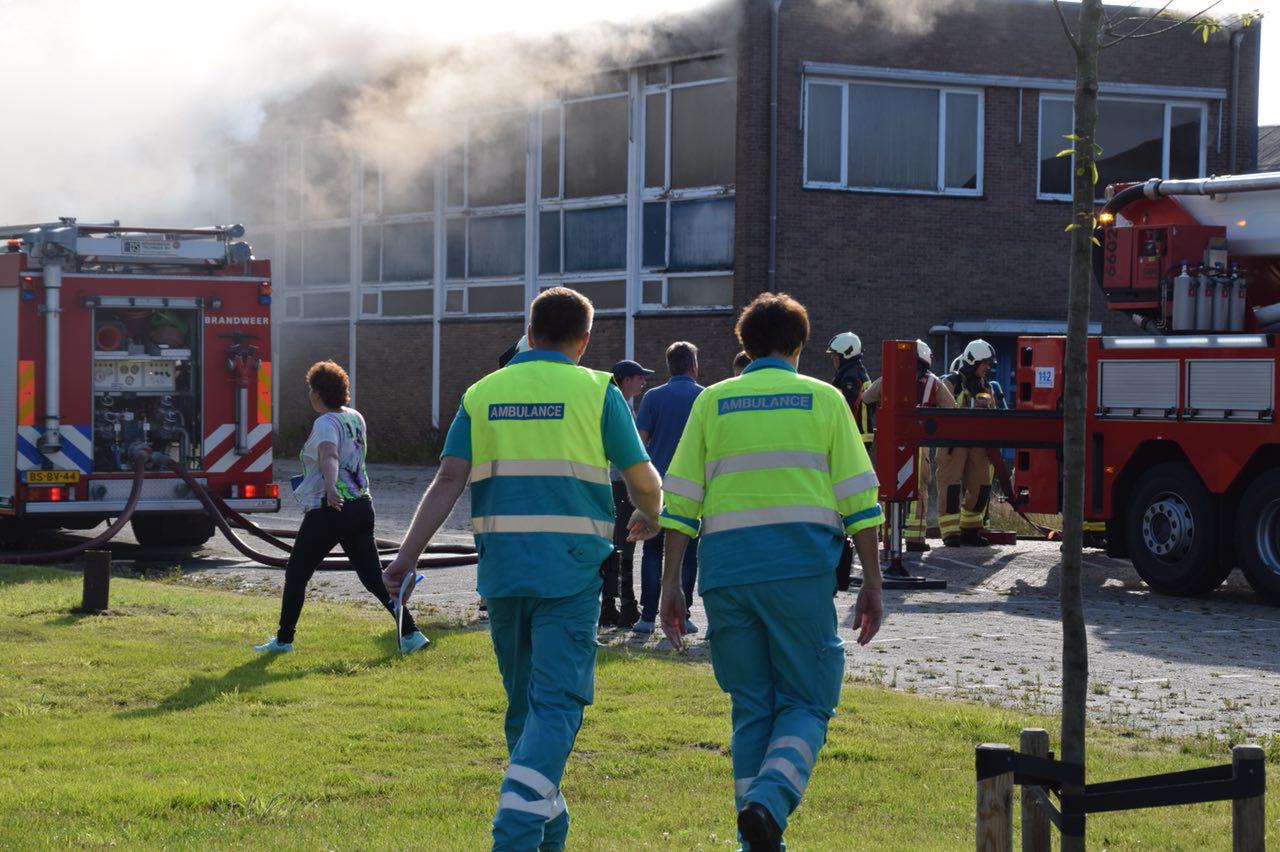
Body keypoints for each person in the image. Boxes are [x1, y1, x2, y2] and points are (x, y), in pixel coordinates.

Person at [383, 287, 663, 851]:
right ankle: (515, 834)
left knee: (525, 710)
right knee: (556, 705)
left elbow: (447, 480)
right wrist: (649, 515)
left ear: (528, 332)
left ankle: (548, 834)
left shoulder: (482, 392)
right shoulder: (597, 390)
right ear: (584, 342)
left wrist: (406, 556)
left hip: (504, 573)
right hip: (572, 573)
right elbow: (643, 476)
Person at [657, 293, 884, 851]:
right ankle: (769, 802)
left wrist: (669, 585)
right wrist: (873, 579)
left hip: (724, 576)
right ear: (800, 347)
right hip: (798, 571)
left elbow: (681, 500)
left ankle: (756, 840)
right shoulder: (825, 400)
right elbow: (859, 497)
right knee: (808, 700)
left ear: (744, 345)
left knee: (752, 706)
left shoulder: (712, 403)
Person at [253, 361, 428, 655]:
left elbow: (329, 455)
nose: (310, 394)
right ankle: (411, 634)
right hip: (362, 505)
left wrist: (332, 487)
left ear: (319, 393)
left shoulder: (325, 423)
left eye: (311, 389)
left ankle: (284, 641)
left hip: (330, 508)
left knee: (296, 573)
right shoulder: (355, 417)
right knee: (373, 578)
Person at [633, 341, 704, 635]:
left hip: (657, 484)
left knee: (652, 550)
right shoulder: (704, 397)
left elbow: (640, 442)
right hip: (691, 486)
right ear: (693, 366)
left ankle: (648, 616)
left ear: (669, 365)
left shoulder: (653, 396)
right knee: (687, 553)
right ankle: (682, 615)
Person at [861, 339, 956, 552]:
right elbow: (951, 409)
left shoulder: (888, 378)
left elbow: (866, 399)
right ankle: (915, 539)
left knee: (887, 487)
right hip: (919, 443)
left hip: (889, 443)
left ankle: (886, 535)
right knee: (919, 488)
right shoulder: (933, 383)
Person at [601, 359, 654, 628]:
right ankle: (625, 605)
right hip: (622, 484)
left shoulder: (607, 403)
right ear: (625, 380)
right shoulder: (619, 406)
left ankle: (611, 605)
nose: (643, 381)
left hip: (609, 483)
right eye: (638, 377)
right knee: (625, 544)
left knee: (614, 546)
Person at [936, 339, 998, 547]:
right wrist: (972, 403)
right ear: (973, 362)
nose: (987, 368)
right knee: (951, 487)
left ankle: (970, 529)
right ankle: (950, 532)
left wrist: (987, 405)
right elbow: (945, 408)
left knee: (981, 485)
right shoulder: (951, 382)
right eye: (984, 364)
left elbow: (993, 409)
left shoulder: (985, 385)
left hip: (977, 443)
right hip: (954, 443)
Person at [826, 332, 874, 446]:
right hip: (856, 434)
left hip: (855, 436)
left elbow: (851, 408)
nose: (832, 357)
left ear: (846, 354)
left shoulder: (851, 377)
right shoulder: (852, 371)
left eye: (835, 354)